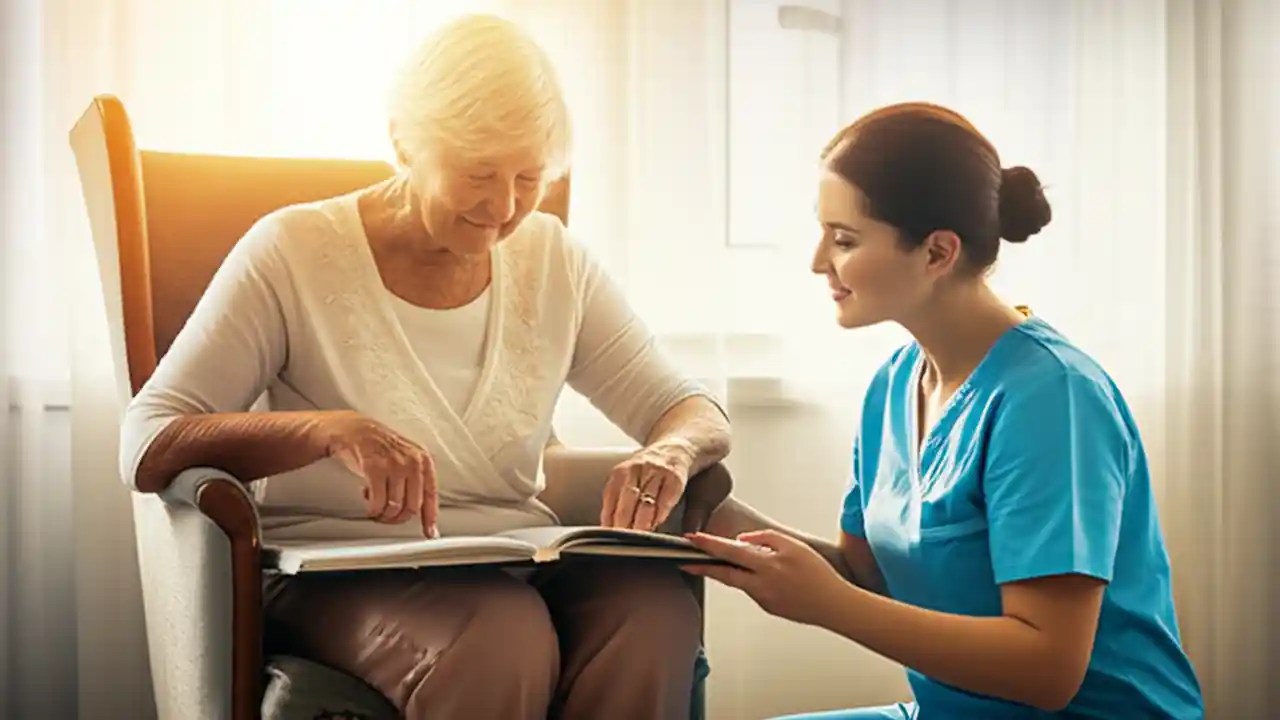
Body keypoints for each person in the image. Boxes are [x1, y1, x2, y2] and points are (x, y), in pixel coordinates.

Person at [119, 14, 730, 720]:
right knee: (499, 636)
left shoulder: (553, 259)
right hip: (334, 574)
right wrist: (325, 432)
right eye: (478, 175)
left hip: (514, 561)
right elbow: (149, 439)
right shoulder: (293, 250)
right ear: (405, 143)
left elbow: (690, 407)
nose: (503, 209)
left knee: (654, 614)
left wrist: (671, 451)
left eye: (528, 178)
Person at [685, 102, 1204, 719]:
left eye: (844, 239)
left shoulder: (1052, 400)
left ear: (937, 253)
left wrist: (827, 605)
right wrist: (710, 515)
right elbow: (869, 577)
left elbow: (1048, 670)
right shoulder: (894, 385)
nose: (819, 261)